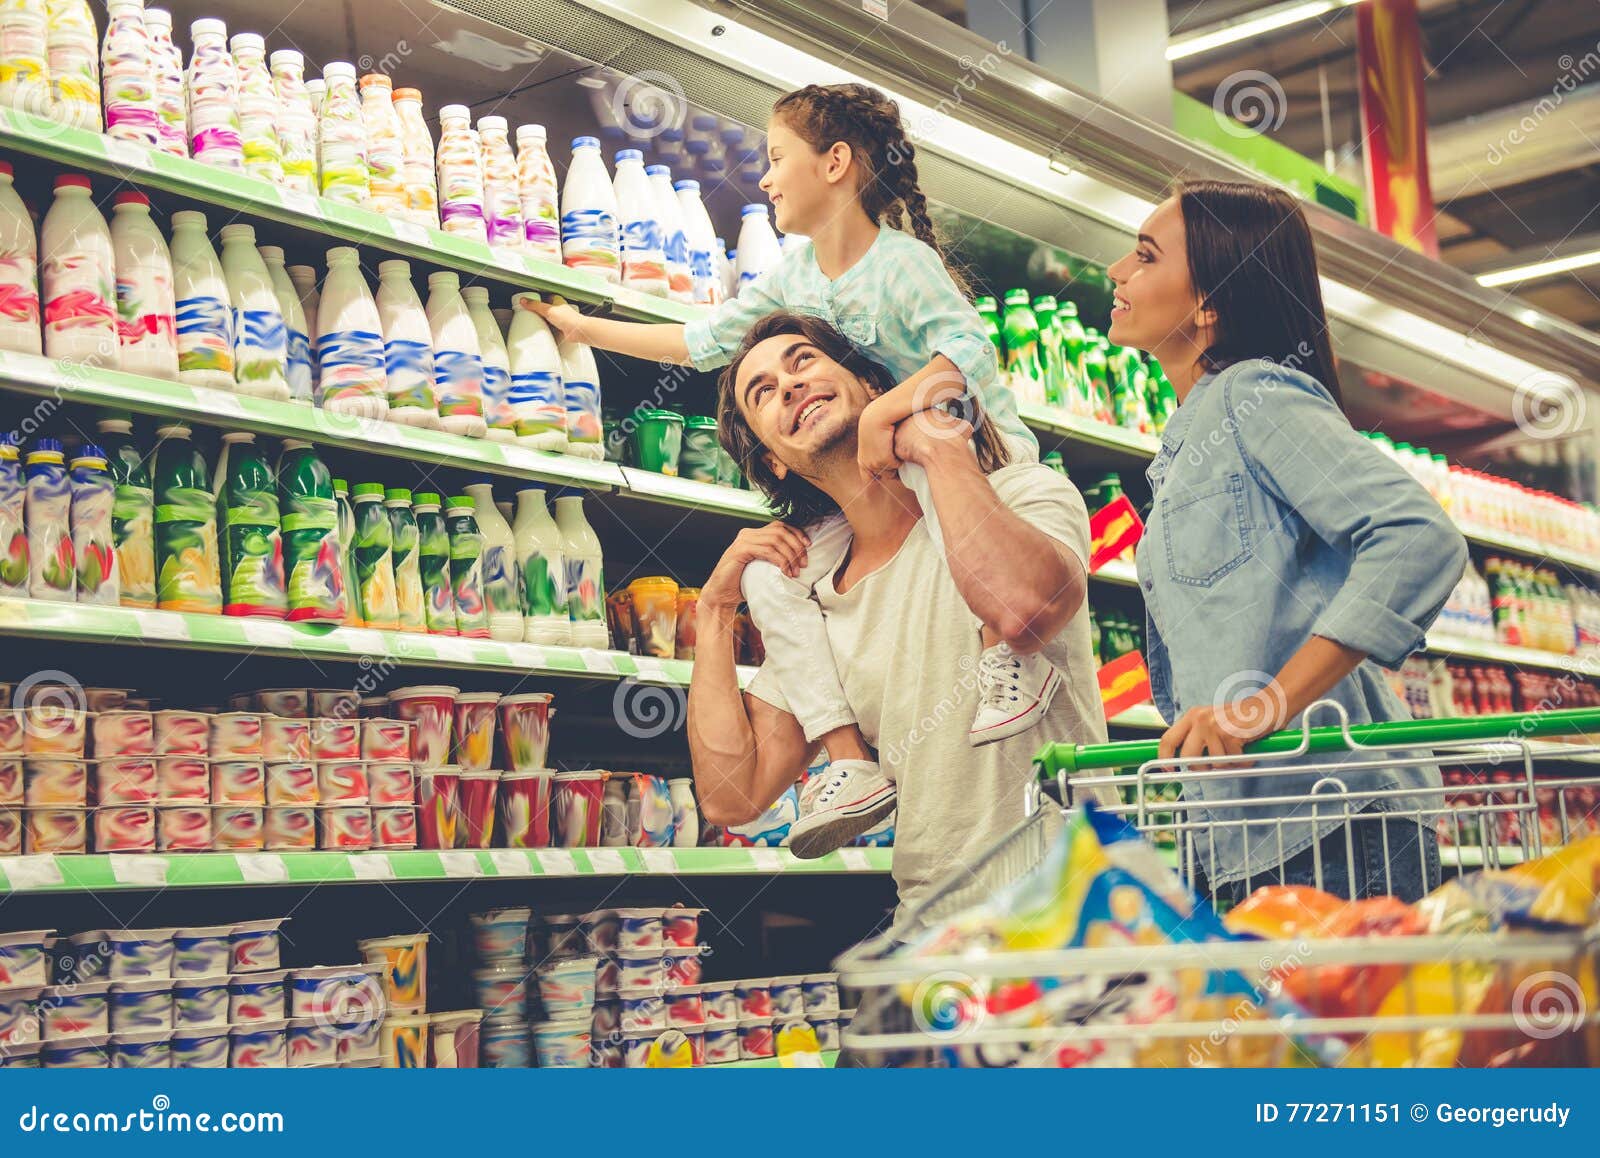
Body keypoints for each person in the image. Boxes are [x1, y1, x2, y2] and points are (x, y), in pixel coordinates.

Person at [535, 82, 1056, 857]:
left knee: (940, 490)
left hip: (968, 447)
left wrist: (884, 413)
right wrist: (583, 327)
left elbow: (973, 358)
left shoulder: (903, 265)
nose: (767, 179)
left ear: (837, 163)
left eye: (777, 159)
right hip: (883, 469)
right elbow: (704, 342)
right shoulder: (794, 277)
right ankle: (846, 759)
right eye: (764, 392)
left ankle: (1008, 660)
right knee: (770, 576)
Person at [1104, 179, 1469, 903]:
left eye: (1145, 256)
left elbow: (1416, 536)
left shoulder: (1254, 395)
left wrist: (1260, 709)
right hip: (1250, 828)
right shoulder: (1187, 440)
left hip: (1332, 820)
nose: (1118, 270)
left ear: (1210, 304)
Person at [687, 311, 1107, 909]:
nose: (787, 384)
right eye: (762, 393)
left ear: (875, 386)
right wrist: (715, 610)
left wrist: (934, 447)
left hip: (1079, 914)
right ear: (774, 459)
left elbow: (1023, 613)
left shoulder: (1020, 494)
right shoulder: (813, 605)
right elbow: (733, 796)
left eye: (802, 360)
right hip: (936, 935)